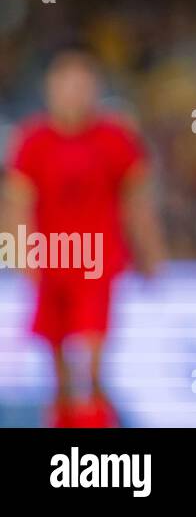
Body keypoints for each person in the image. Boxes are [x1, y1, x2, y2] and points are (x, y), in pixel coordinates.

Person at [1, 47, 164, 427]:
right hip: (51, 266)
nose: (73, 93)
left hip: (96, 267)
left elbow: (136, 204)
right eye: (65, 83)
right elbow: (15, 206)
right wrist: (18, 257)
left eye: (81, 83)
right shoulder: (32, 141)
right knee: (57, 377)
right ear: (50, 89)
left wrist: (150, 254)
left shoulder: (115, 140)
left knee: (88, 369)